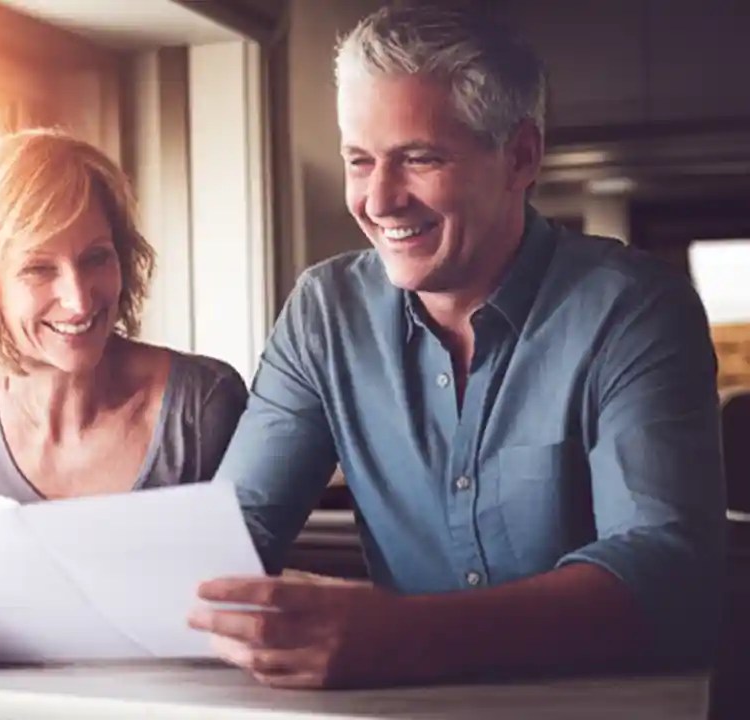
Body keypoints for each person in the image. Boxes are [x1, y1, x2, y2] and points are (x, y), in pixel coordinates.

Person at [188, 5, 725, 689]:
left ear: (521, 157)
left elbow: (669, 579)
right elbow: (226, 539)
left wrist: (406, 635)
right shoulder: (325, 312)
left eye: (419, 158)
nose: (379, 200)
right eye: (359, 160)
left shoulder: (633, 309)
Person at [0, 128, 249, 668]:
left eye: (96, 258)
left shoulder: (204, 403)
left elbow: (256, 582)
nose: (78, 298)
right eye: (39, 268)